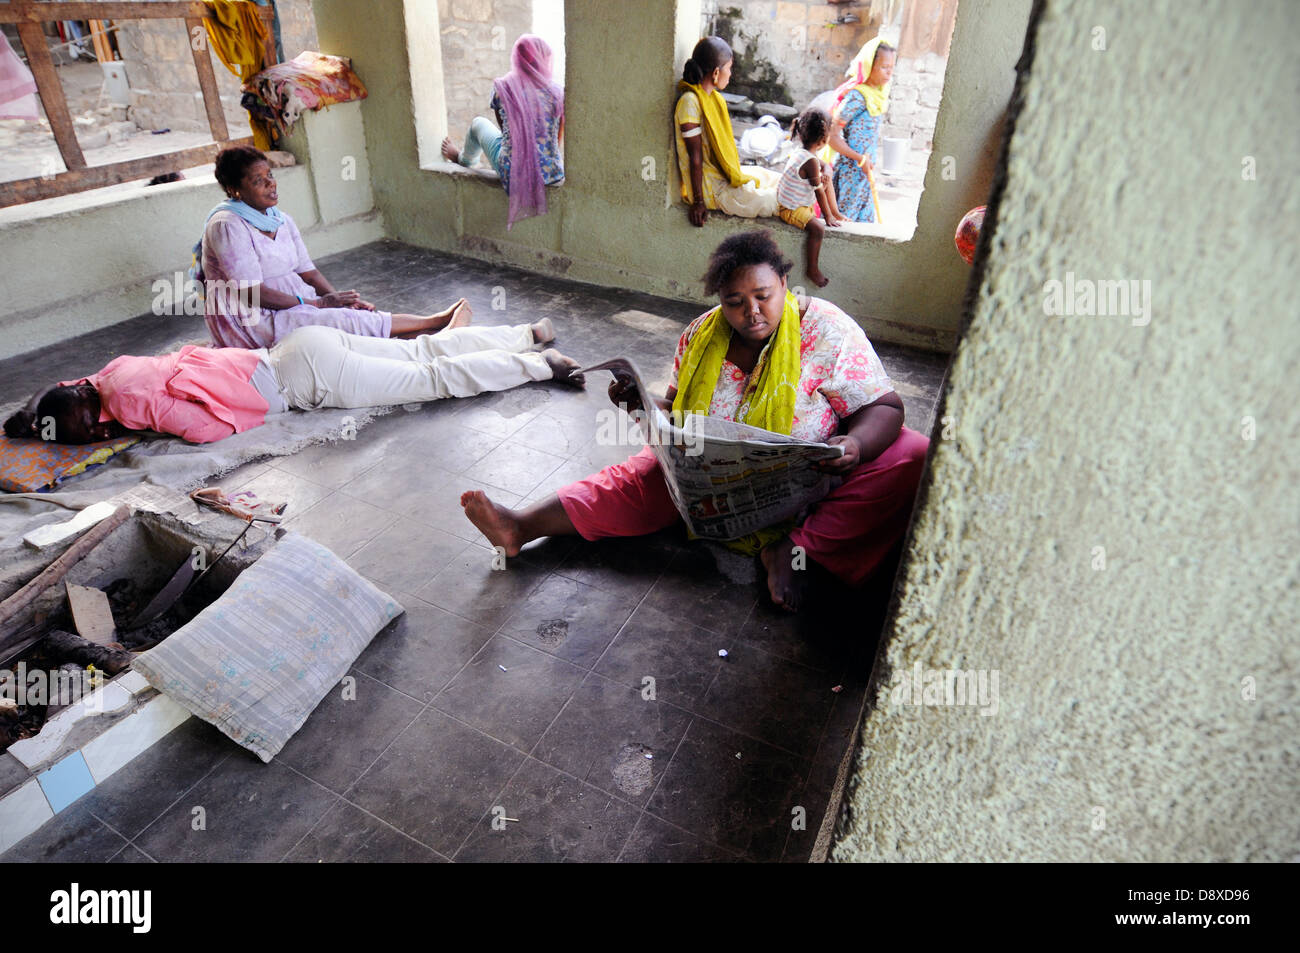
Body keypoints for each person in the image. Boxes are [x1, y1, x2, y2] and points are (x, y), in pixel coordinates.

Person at [460, 232, 929, 611]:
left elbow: (885, 408)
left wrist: (854, 447)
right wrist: (640, 405)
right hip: (718, 485)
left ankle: (793, 549)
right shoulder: (701, 336)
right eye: (734, 301)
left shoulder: (826, 330)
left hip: (814, 476)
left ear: (785, 283)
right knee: (643, 477)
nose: (752, 312)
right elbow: (677, 417)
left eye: (763, 296)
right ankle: (519, 525)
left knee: (912, 455)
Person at [4, 319, 584, 446]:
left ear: (88, 406)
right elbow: (58, 391)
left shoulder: (130, 404)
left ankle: (541, 366)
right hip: (302, 344)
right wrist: (35, 421)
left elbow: (207, 431)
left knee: (430, 376)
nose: (93, 427)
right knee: (423, 348)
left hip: (310, 380)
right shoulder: (110, 372)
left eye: (85, 423)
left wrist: (131, 437)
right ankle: (525, 333)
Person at [197, 146, 472, 350]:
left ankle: (427, 335)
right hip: (250, 318)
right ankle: (433, 325)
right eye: (258, 180)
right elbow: (251, 292)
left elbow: (308, 273)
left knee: (347, 318)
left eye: (270, 175)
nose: (271, 183)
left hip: (291, 302)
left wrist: (340, 300)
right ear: (234, 190)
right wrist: (316, 304)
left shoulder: (279, 218)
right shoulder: (228, 225)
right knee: (337, 326)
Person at [440, 34, 565, 228]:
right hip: (552, 172)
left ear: (517, 58)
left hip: (512, 170)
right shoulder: (558, 92)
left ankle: (464, 160)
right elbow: (557, 138)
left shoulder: (503, 87)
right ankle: (465, 158)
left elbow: (505, 129)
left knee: (478, 123)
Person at [674, 36, 779, 226]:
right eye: (729, 68)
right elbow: (695, 157)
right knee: (773, 201)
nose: (730, 74)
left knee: (777, 180)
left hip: (722, 176)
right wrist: (698, 202)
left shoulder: (715, 98)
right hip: (712, 189)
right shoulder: (690, 102)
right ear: (716, 72)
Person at [776, 106, 848, 288]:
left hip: (798, 202)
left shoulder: (804, 153)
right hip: (790, 209)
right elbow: (818, 191)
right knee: (818, 229)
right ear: (824, 140)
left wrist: (827, 170)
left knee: (827, 178)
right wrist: (827, 217)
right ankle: (812, 269)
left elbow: (825, 167)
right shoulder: (810, 162)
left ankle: (837, 213)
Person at [829, 37, 896, 224]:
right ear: (869, 66)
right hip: (850, 175)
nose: (889, 72)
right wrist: (859, 159)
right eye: (884, 67)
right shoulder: (857, 97)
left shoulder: (878, 96)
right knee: (844, 226)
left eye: (892, 67)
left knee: (864, 228)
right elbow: (831, 137)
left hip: (865, 175)